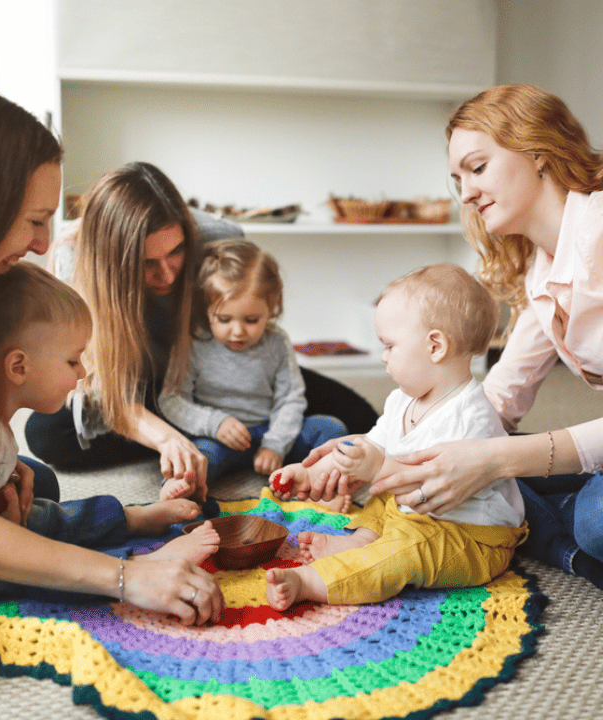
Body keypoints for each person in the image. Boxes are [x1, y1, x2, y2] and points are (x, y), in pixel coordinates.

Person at [0, 90, 224, 646]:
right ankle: (126, 533)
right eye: (34, 219)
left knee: (39, 482)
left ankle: (124, 521)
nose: (43, 243)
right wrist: (127, 574)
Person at [302, 84, 603, 591]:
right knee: (464, 471)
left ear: (538, 153)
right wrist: (372, 457)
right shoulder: (543, 269)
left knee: (587, 515)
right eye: (457, 178)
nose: (465, 193)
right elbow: (495, 400)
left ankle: (569, 532)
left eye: (477, 167)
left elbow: (494, 450)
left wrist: (491, 460)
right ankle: (563, 525)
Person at [25, 162, 377, 496]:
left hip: (220, 370)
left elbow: (244, 316)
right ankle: (192, 439)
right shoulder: (76, 257)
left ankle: (219, 437)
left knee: (358, 418)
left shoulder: (219, 236)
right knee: (48, 432)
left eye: (176, 252)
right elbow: (104, 389)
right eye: (146, 264)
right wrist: (164, 438)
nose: (167, 275)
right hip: (139, 382)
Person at [0, 261, 219, 606]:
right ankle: (133, 564)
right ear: (18, 367)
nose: (83, 371)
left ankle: (130, 517)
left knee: (42, 498)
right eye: (72, 361)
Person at [266, 264, 526, 610]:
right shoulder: (403, 399)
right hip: (415, 511)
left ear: (435, 346)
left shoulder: (470, 418)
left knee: (403, 552)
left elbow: (430, 487)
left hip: (465, 533)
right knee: (380, 503)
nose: (385, 358)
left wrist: (376, 469)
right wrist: (315, 471)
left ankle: (313, 581)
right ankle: (361, 541)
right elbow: (370, 446)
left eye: (390, 346)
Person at [156, 239, 346, 500]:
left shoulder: (277, 342)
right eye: (223, 319)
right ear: (206, 310)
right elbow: (172, 400)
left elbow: (290, 398)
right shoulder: (194, 343)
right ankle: (180, 495)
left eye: (252, 320)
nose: (237, 331)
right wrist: (215, 423)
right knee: (194, 459)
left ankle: (327, 486)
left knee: (331, 429)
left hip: (269, 430)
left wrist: (275, 445)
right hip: (217, 438)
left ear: (272, 309)